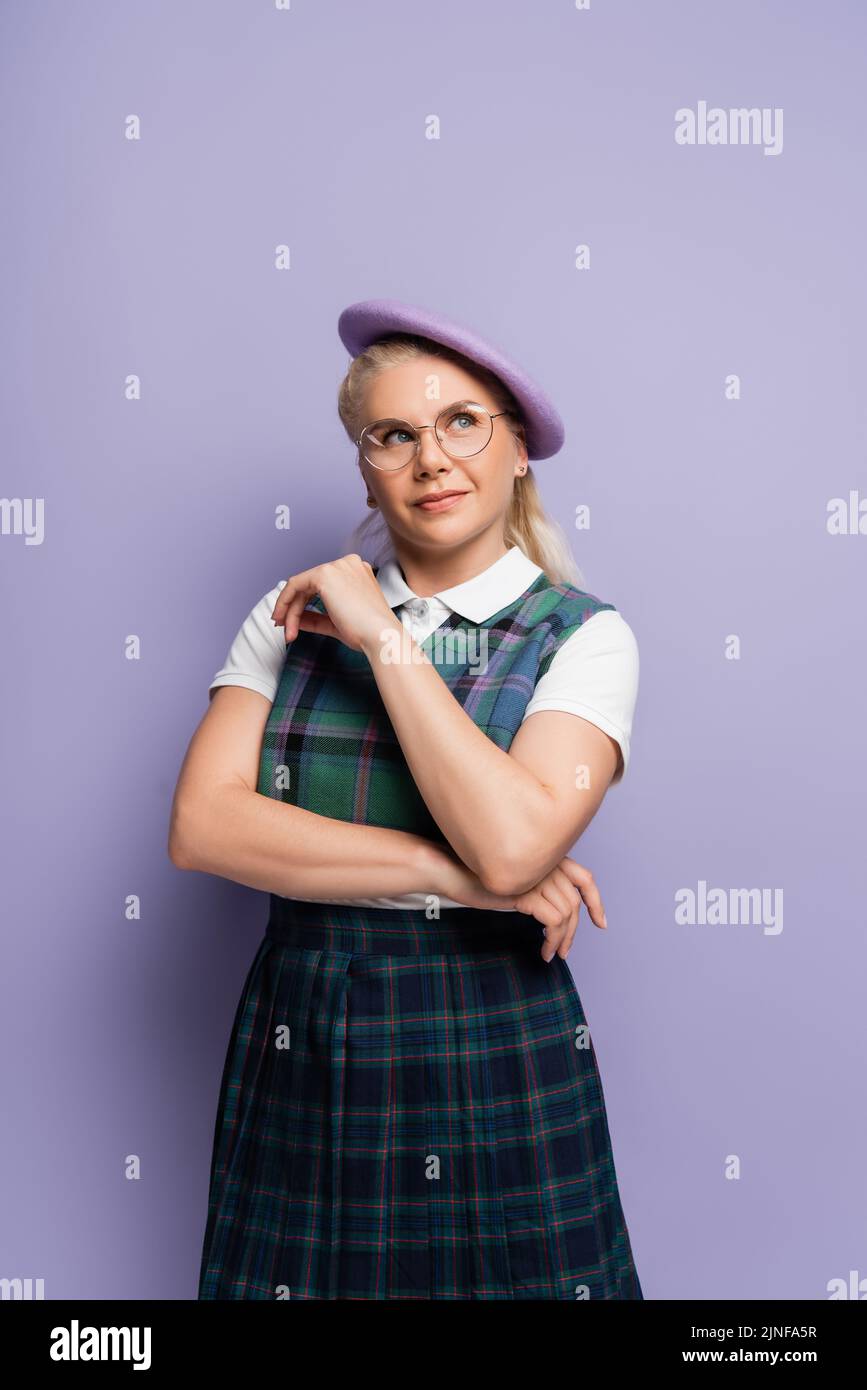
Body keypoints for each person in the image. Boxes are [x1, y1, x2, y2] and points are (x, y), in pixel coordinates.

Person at [170, 297, 643, 1300]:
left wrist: (385, 638)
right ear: (366, 465)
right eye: (394, 434)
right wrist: (446, 874)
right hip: (306, 1037)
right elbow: (203, 826)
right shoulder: (288, 615)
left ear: (519, 450)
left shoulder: (586, 638)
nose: (431, 458)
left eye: (462, 422)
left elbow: (514, 848)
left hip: (492, 1041)